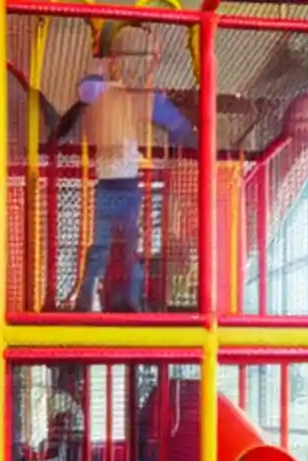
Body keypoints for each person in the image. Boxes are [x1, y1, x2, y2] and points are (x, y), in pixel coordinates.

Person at [74, 26, 196, 313]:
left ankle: (128, 300)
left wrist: (187, 135)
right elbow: (86, 89)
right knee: (103, 249)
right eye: (120, 63)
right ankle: (89, 299)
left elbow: (174, 122)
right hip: (112, 187)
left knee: (123, 250)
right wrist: (101, 66)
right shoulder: (108, 91)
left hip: (124, 186)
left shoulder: (140, 97)